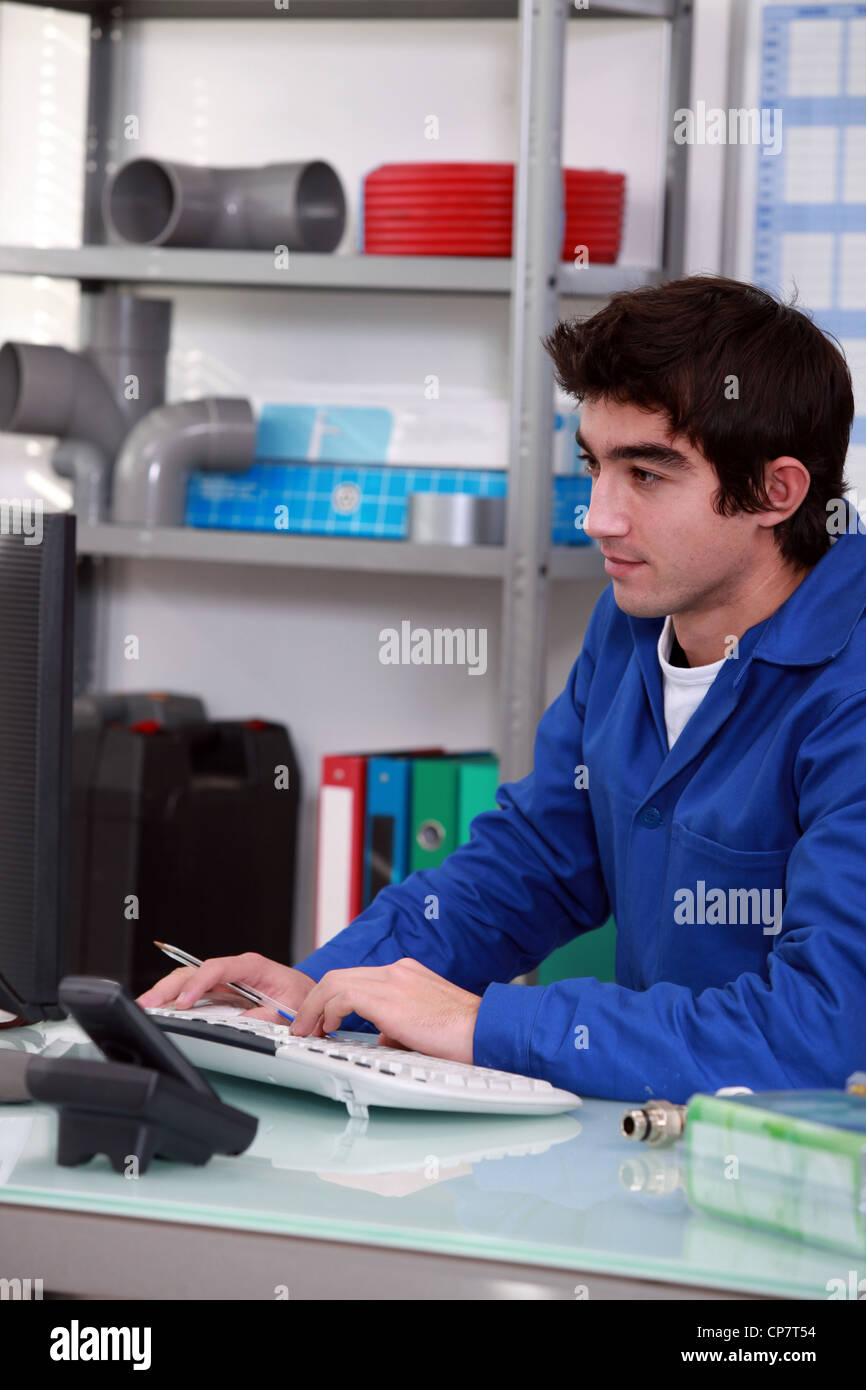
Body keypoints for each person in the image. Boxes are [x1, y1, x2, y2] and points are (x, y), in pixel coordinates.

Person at [138, 274, 865, 1103]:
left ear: (778, 492)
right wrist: (323, 989)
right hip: (662, 1149)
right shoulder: (630, 626)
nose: (599, 516)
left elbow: (823, 1035)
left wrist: (486, 1026)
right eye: (595, 464)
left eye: (648, 475)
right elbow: (535, 863)